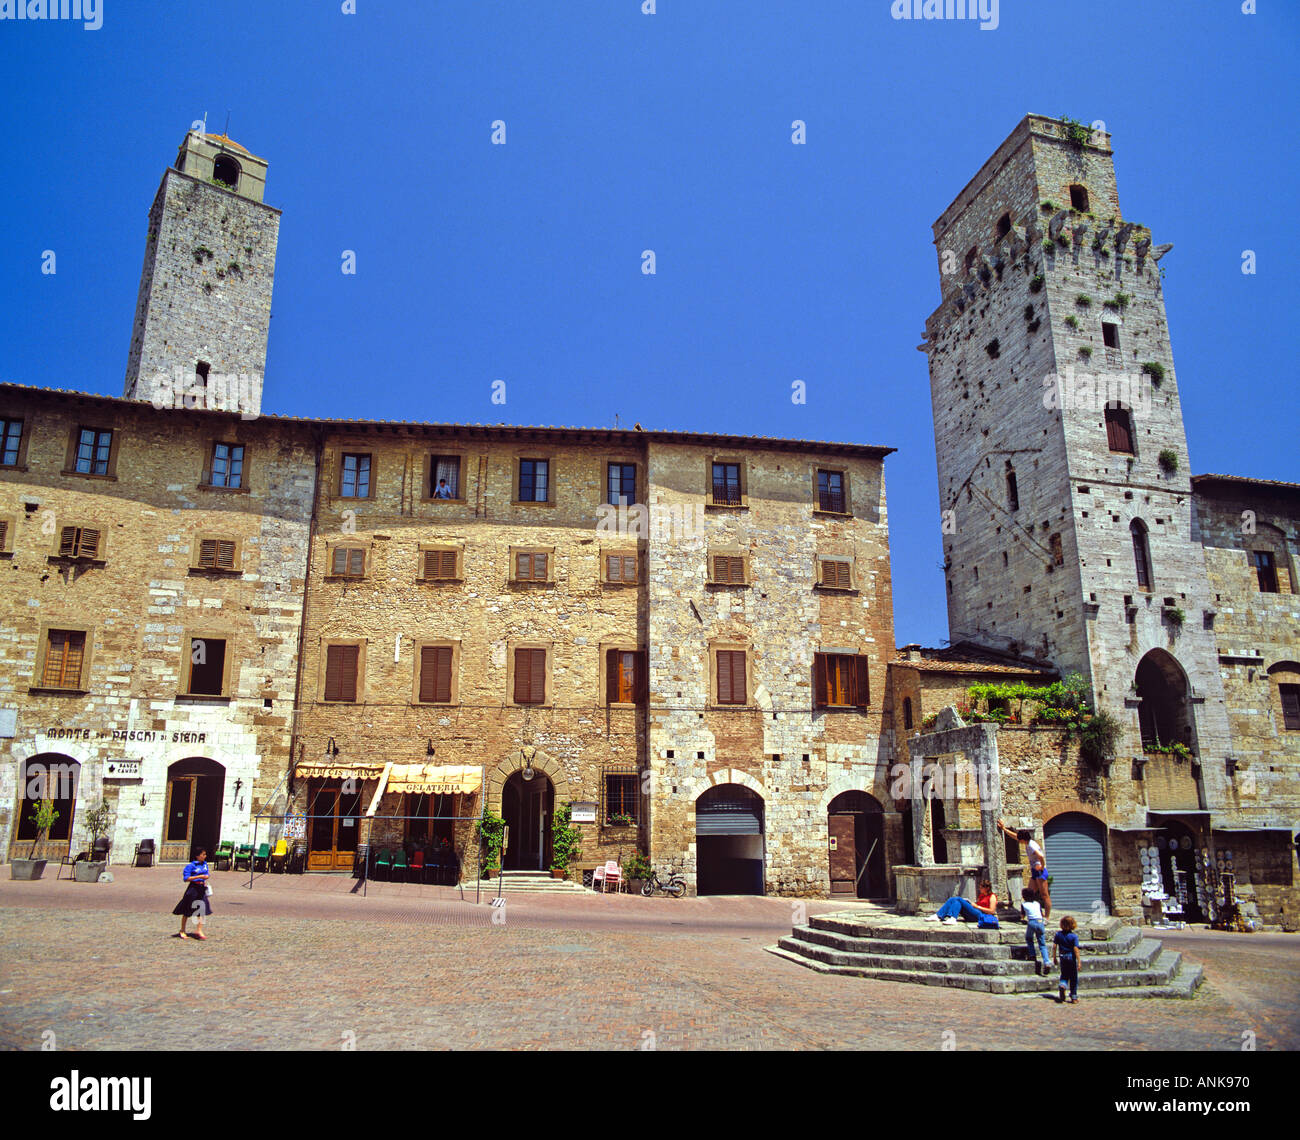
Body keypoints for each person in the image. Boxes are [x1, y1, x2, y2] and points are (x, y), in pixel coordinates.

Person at [999, 817, 1050, 918]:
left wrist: (1042, 867)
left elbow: (1041, 856)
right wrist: (1004, 829)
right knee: (1028, 894)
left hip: (1040, 872)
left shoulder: (1032, 845)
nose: (1018, 840)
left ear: (1022, 839)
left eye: (1019, 839)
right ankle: (1029, 914)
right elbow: (1015, 836)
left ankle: (1047, 917)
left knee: (1044, 895)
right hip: (1035, 872)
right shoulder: (1027, 843)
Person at [173, 848, 212, 941]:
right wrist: (199, 877)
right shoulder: (191, 866)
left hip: (201, 889)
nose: (205, 856)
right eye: (203, 854)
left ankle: (199, 930)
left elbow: (206, 873)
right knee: (187, 909)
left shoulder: (205, 864)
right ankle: (182, 930)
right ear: (197, 856)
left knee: (201, 909)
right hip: (193, 889)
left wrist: (206, 877)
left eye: (205, 854)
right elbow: (186, 878)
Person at [925, 879, 998, 925]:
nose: (980, 889)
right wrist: (971, 904)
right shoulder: (981, 895)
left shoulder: (992, 897)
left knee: (958, 899)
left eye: (982, 887)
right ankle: (938, 916)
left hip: (980, 915)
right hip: (974, 912)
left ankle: (952, 918)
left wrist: (977, 906)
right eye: (980, 887)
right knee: (953, 899)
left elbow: (992, 911)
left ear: (987, 888)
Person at [1020, 886, 1050, 976]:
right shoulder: (1037, 903)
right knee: (1042, 944)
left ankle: (1032, 954)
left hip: (1032, 922)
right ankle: (1047, 962)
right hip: (1040, 922)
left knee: (1029, 938)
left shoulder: (1024, 904)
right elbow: (1041, 914)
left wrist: (1022, 920)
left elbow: (1022, 916)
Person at [1052, 915, 1082, 1003]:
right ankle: (1074, 997)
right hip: (1071, 958)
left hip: (1062, 957)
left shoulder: (1058, 934)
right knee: (1073, 977)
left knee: (1064, 974)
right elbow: (1076, 949)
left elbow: (1054, 946)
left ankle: (1062, 985)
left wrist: (1054, 957)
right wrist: (1079, 961)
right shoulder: (1073, 937)